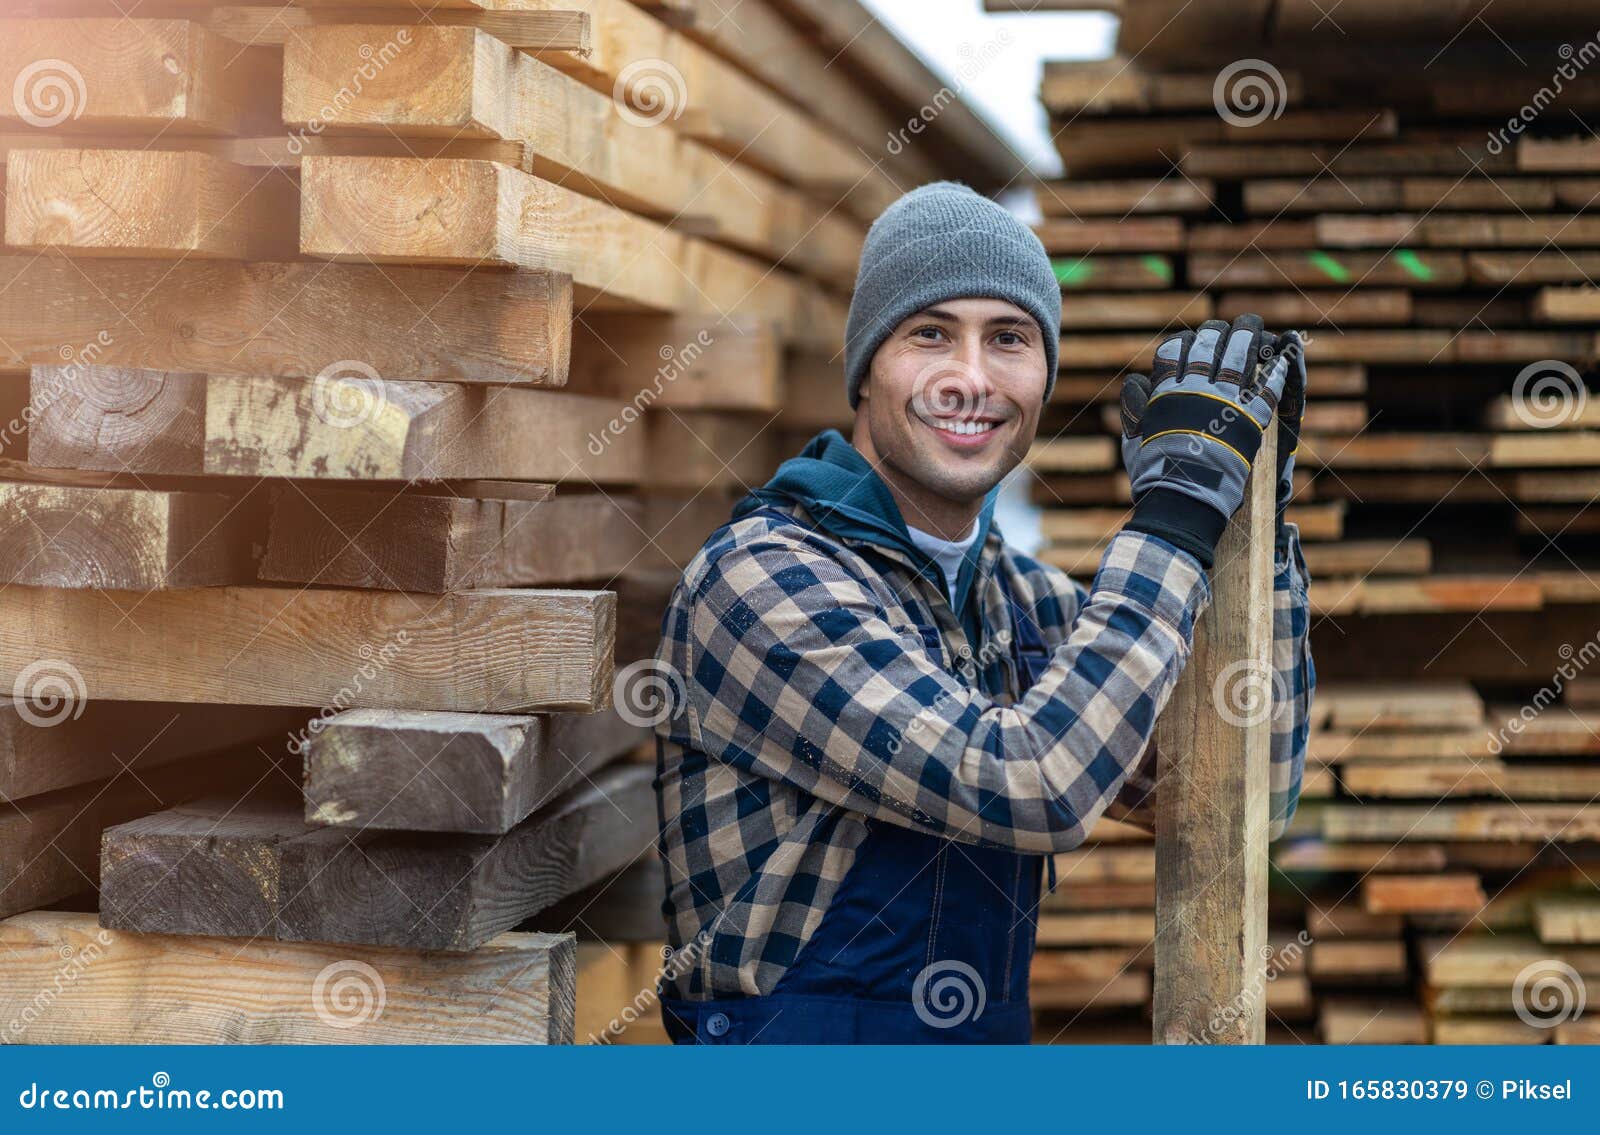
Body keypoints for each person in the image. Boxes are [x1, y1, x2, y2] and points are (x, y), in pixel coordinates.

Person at [651, 181, 1313, 1044]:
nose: (971, 378)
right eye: (931, 333)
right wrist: (1176, 519)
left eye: (1008, 339)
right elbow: (1031, 784)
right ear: (866, 367)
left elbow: (1244, 793)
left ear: (1043, 377)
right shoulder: (761, 583)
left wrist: (1248, 531)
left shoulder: (1016, 601)